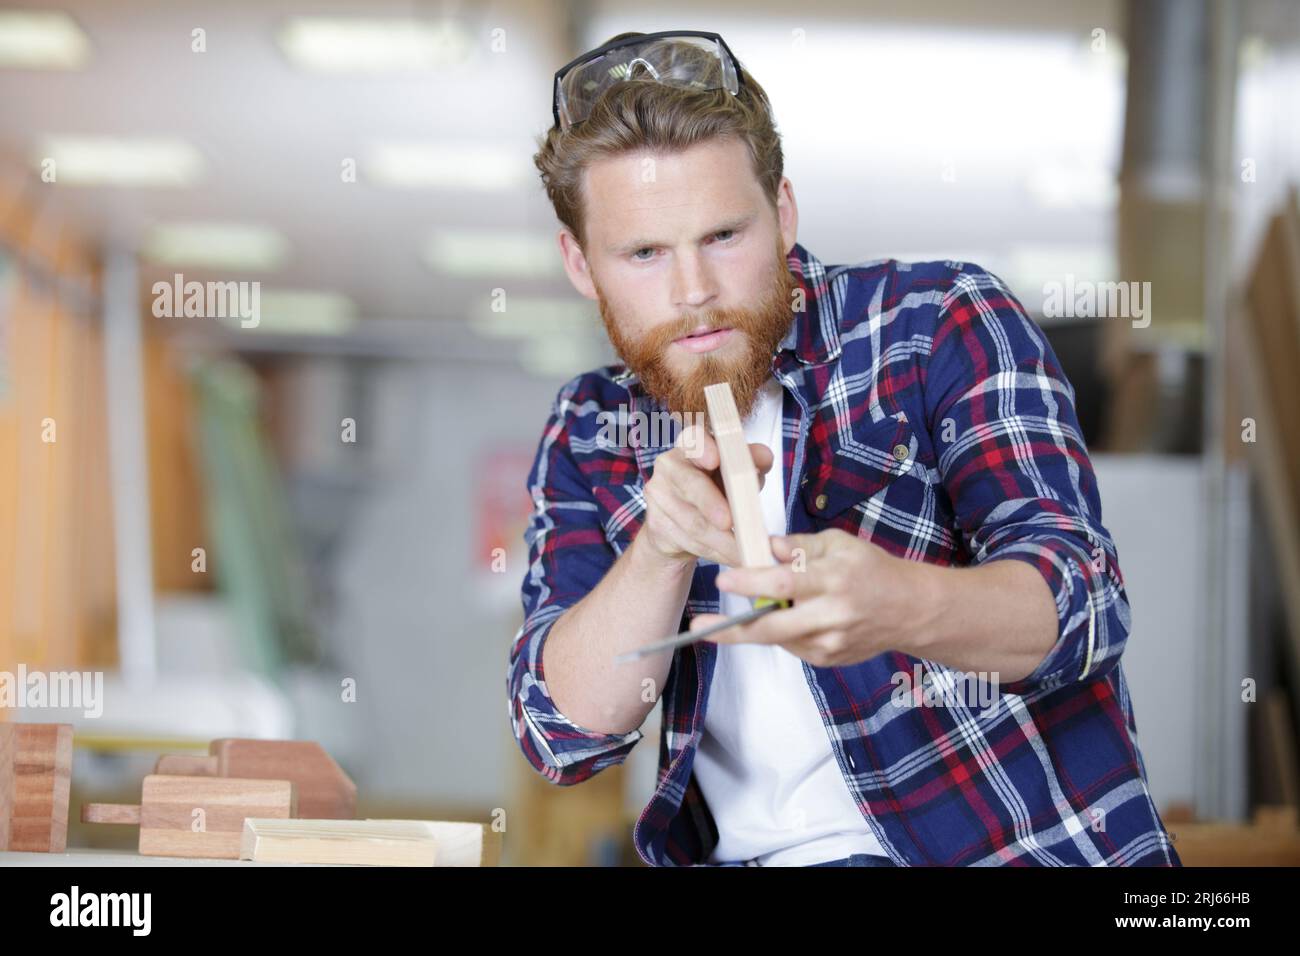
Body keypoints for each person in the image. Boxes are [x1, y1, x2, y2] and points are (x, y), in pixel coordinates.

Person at [507, 30, 1180, 867]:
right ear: (580, 262)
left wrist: (896, 605)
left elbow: (1084, 604)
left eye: (723, 235)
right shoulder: (589, 428)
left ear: (782, 211)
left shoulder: (936, 322)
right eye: (644, 253)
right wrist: (659, 550)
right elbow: (561, 737)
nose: (694, 293)